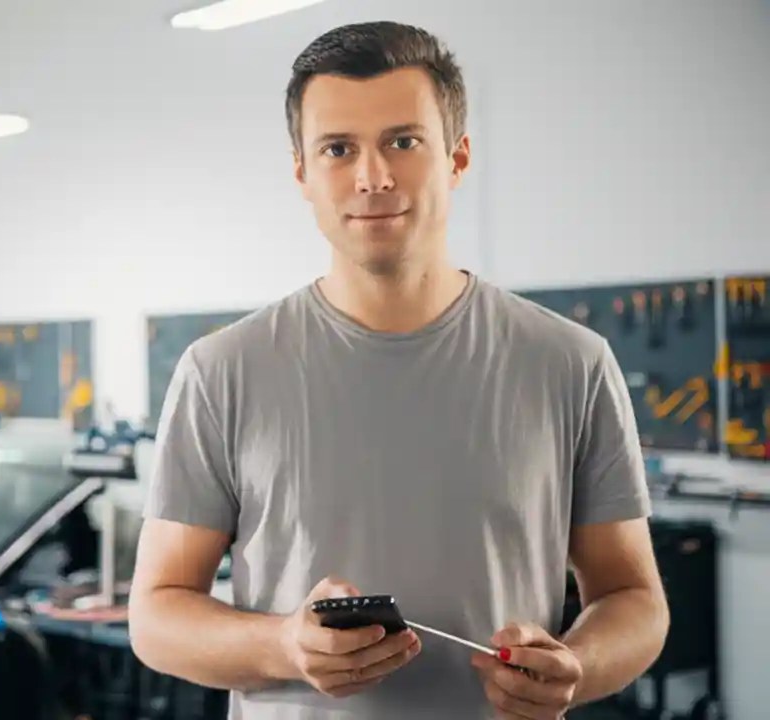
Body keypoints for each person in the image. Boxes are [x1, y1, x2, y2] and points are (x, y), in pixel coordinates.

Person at [127, 20, 669, 720]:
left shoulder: (572, 363)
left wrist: (579, 666)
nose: (373, 177)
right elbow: (157, 615)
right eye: (338, 149)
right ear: (302, 172)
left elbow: (634, 599)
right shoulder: (220, 371)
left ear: (458, 157)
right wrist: (284, 645)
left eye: (403, 142)